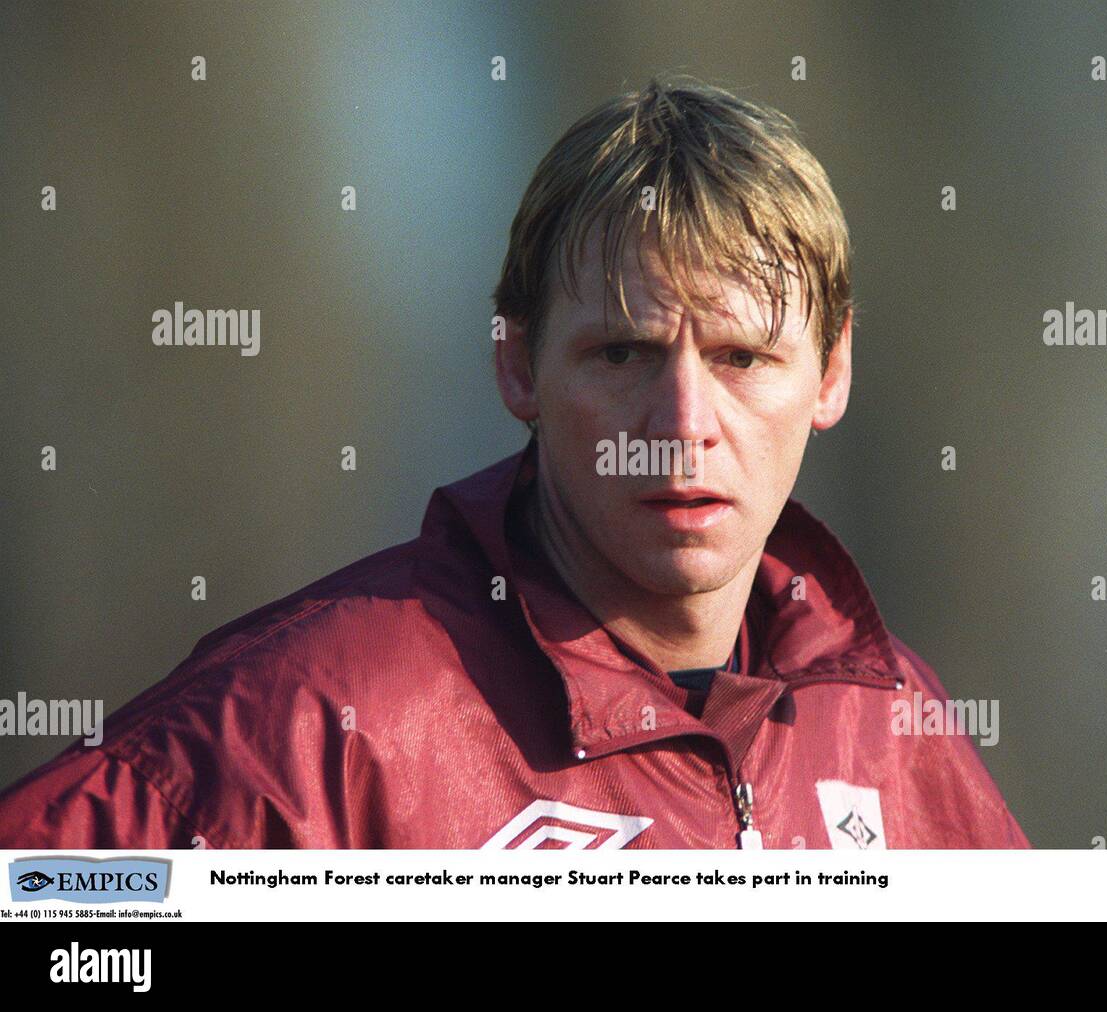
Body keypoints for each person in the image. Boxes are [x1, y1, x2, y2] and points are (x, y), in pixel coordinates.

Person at [0, 77, 1029, 849]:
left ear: (830, 373)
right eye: (620, 352)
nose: (681, 420)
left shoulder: (889, 727)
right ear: (516, 364)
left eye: (741, 358)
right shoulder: (316, 730)